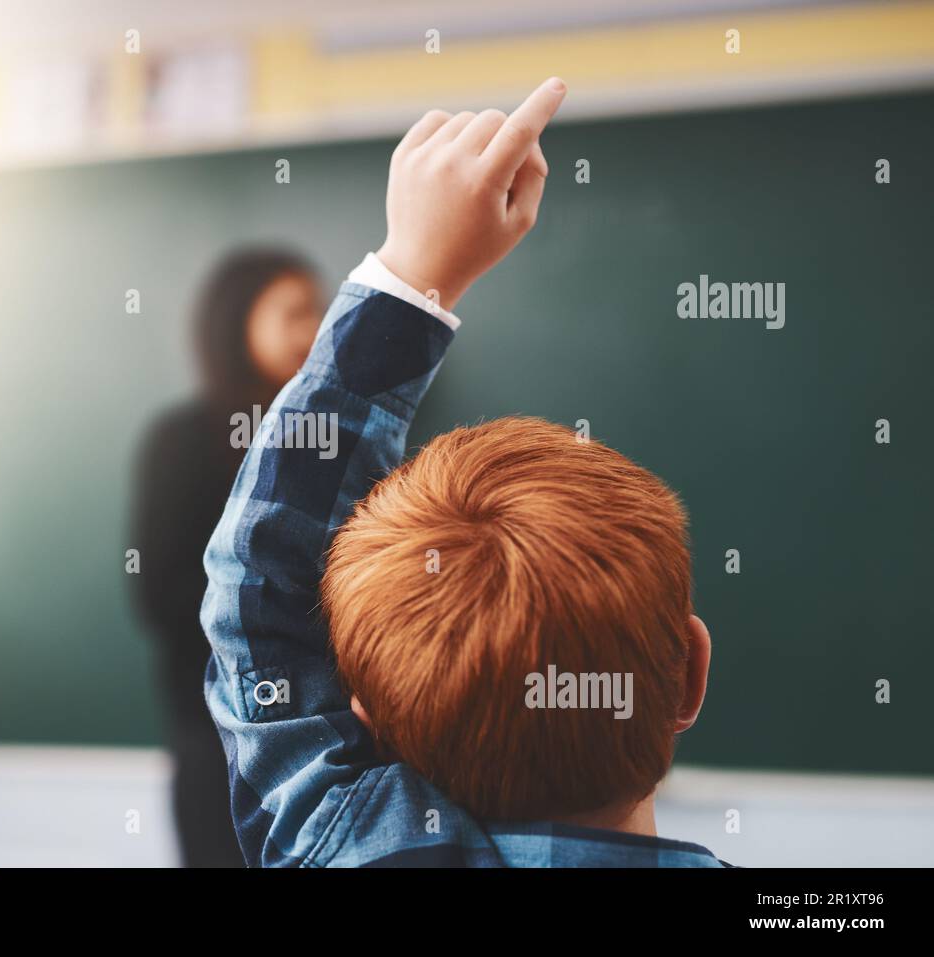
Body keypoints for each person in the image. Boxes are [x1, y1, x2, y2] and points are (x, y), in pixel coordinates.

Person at [201, 78, 731, 866]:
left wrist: (411, 273)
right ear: (689, 673)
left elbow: (259, 601)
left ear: (369, 715)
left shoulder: (350, 849)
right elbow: (264, 611)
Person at [130, 247, 323, 867]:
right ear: (238, 320)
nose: (313, 330)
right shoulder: (182, 440)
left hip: (322, 731)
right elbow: (159, 592)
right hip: (214, 732)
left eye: (318, 311)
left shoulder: (327, 440)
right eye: (293, 312)